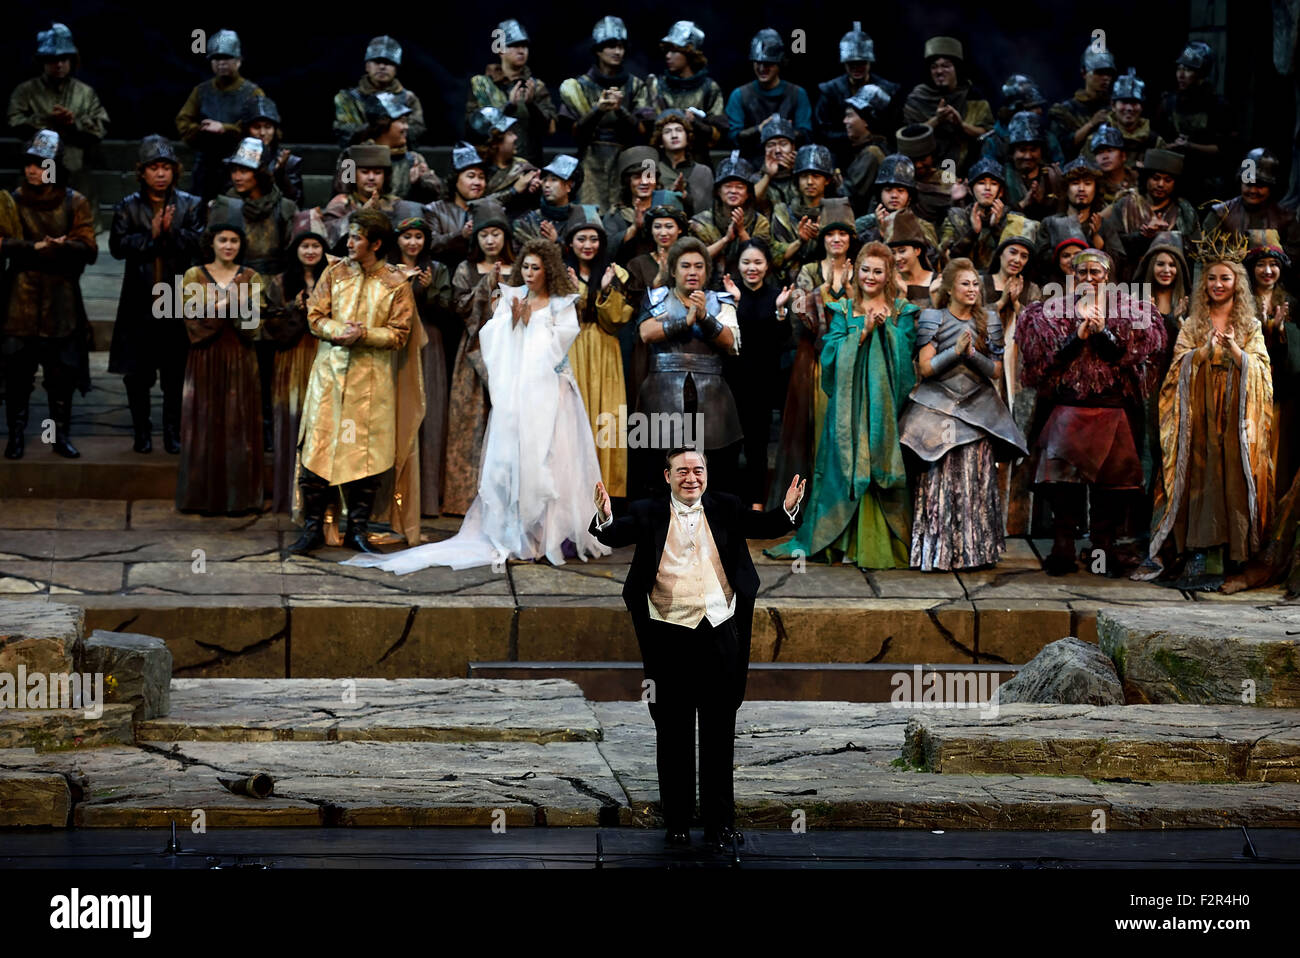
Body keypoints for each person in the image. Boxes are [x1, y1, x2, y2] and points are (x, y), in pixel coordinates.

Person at [347, 239, 610, 572]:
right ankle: (521, 532)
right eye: (525, 267)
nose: (529, 274)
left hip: (554, 395)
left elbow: (559, 346)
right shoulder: (512, 298)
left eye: (535, 268)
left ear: (549, 270)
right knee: (517, 460)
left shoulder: (561, 304)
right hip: (519, 397)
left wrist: (531, 325)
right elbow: (493, 342)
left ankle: (555, 533)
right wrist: (514, 323)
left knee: (556, 458)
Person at [590, 448, 803, 849]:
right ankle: (677, 824)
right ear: (668, 476)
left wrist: (786, 508)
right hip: (669, 634)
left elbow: (763, 525)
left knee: (720, 732)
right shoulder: (649, 509)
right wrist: (604, 515)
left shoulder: (726, 506)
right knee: (673, 733)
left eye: (698, 470)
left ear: (707, 475)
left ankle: (721, 823)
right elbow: (616, 533)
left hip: (720, 631)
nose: (691, 477)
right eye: (682, 471)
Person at [1018, 249, 1166, 576]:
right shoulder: (1048, 314)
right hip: (1069, 409)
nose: (1088, 278)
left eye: (1095, 273)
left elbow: (1129, 358)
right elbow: (1046, 363)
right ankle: (1063, 550)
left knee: (1109, 490)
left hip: (1111, 411)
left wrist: (1103, 333)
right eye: (1081, 272)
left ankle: (1100, 554)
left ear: (1107, 277)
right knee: (1063, 486)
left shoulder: (1131, 312)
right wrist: (1077, 337)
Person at [768, 242, 915, 568]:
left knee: (878, 460)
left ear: (889, 273)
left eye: (879, 271)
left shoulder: (902, 311)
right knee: (844, 462)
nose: (871, 277)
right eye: (866, 270)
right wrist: (863, 331)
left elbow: (906, 367)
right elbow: (831, 359)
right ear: (855, 271)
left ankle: (878, 542)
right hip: (847, 411)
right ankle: (840, 541)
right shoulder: (843, 310)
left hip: (883, 412)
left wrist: (887, 330)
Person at [1136, 239, 1273, 589]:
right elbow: (1176, 367)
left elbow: (1260, 368)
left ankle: (1234, 554)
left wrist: (1235, 351)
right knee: (1200, 476)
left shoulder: (1251, 324)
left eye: (1225, 278)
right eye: (1212, 279)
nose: (1217, 285)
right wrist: (1201, 352)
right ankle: (1196, 550)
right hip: (1199, 414)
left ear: (1236, 283)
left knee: (1234, 477)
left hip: (1235, 414)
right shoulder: (1195, 322)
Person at [288, 208, 421, 554]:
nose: (349, 243)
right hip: (330, 374)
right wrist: (338, 331)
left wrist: (364, 335)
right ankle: (314, 527)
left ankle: (357, 530)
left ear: (375, 243)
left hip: (370, 381)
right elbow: (315, 317)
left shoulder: (396, 282)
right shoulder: (335, 274)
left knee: (364, 453)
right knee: (318, 447)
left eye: (357, 238)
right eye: (349, 236)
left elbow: (399, 334)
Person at [900, 258, 1028, 570]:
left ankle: (975, 552)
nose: (972, 289)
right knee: (940, 481)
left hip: (979, 408)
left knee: (975, 481)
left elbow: (996, 372)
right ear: (950, 289)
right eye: (965, 284)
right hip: (937, 406)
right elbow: (926, 368)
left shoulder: (990, 319)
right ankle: (937, 552)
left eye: (975, 284)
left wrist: (971, 355)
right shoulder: (933, 317)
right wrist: (954, 352)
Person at [2, 130, 95, 460]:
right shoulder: (11, 200)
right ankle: (15, 436)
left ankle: (58, 436)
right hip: (21, 300)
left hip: (60, 300)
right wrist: (32, 247)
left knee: (60, 378)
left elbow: (89, 247)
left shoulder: (74, 202)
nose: (33, 171)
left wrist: (64, 246)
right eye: (29, 164)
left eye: (41, 165)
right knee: (17, 375)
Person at [109, 135, 205, 456]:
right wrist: (150, 236)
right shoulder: (127, 206)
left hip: (175, 298)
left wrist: (170, 232)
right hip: (139, 300)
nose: (160, 174)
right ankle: (142, 431)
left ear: (175, 171)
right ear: (142, 172)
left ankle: (172, 431)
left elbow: (200, 242)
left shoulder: (190, 204)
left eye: (166, 167)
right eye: (154, 168)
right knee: (137, 373)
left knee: (175, 371)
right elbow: (117, 247)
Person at [635, 238, 742, 497]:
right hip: (662, 392)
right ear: (673, 270)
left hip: (711, 394)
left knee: (714, 470)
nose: (692, 272)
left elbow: (730, 342)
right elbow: (646, 333)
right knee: (659, 467)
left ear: (706, 270)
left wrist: (704, 317)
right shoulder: (657, 296)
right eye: (685, 266)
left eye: (698, 266)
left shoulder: (721, 300)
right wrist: (684, 321)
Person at [772, 200, 858, 508]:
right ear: (822, 239)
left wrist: (846, 290)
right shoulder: (809, 270)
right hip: (813, 361)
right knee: (812, 430)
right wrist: (832, 291)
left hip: (851, 360)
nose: (837, 239)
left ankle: (842, 503)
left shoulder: (860, 272)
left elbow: (862, 312)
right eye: (831, 234)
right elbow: (800, 312)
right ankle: (810, 504)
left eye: (843, 234)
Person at [175, 224, 265, 514]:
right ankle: (202, 498)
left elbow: (255, 327)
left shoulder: (251, 277)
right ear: (211, 243)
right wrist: (231, 303)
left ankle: (239, 499)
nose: (228, 245)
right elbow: (191, 320)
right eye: (222, 240)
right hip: (205, 356)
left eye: (234, 241)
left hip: (240, 357)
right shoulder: (194, 275)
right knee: (204, 423)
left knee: (238, 423)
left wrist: (227, 307)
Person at [444, 200, 513, 516]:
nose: (490, 240)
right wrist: (486, 285)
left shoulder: (520, 269)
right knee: (470, 424)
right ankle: (465, 499)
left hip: (511, 354)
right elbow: (459, 308)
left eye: (496, 233)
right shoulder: (466, 269)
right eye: (484, 234)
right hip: (474, 353)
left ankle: (505, 498)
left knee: (508, 425)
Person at [263, 212, 333, 515]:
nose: (310, 251)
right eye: (304, 245)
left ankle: (321, 502)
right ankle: (289, 497)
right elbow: (269, 327)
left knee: (322, 427)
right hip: (291, 361)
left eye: (316, 245)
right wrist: (295, 310)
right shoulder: (279, 283)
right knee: (291, 424)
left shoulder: (335, 280)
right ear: (295, 249)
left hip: (324, 359)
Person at [563, 206, 634, 500]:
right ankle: (571, 496)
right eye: (582, 239)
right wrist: (570, 293)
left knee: (606, 421)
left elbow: (616, 319)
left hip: (605, 351)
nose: (588, 245)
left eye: (593, 239)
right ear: (570, 243)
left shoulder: (616, 273)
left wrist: (605, 291)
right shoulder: (560, 274)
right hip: (571, 350)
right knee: (572, 422)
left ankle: (605, 496)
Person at [7, 23, 109, 225]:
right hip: (37, 171)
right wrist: (45, 121)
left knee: (78, 227)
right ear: (43, 62)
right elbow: (14, 121)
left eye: (64, 59)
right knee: (35, 227)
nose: (59, 65)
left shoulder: (84, 93)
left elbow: (101, 126)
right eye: (53, 60)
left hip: (75, 170)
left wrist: (74, 123)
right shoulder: (26, 91)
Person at [721, 239, 792, 509]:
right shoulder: (727, 293)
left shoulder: (777, 294)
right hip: (730, 381)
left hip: (763, 383)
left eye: (758, 262)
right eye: (746, 262)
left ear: (767, 266)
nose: (752, 268)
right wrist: (734, 304)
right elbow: (725, 338)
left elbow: (784, 339)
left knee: (757, 448)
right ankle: (727, 505)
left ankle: (756, 505)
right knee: (728, 447)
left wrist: (781, 310)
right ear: (738, 266)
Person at [560, 17, 654, 211]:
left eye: (621, 46)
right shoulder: (578, 86)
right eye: (611, 46)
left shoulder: (635, 85)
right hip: (590, 161)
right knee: (589, 216)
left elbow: (644, 130)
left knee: (623, 216)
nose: (618, 52)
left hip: (625, 161)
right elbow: (574, 132)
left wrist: (620, 110)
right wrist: (598, 111)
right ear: (598, 49)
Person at [394, 217, 452, 517]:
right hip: (397, 346)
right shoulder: (387, 270)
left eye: (418, 237)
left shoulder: (437, 269)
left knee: (429, 417)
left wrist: (427, 291)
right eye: (407, 237)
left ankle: (427, 499)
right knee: (398, 416)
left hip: (429, 344)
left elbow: (447, 311)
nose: (413, 242)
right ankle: (395, 500)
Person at [175, 30, 263, 204]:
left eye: (227, 58)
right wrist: (202, 130)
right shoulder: (202, 91)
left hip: (241, 164)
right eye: (216, 59)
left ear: (238, 61)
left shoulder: (252, 93)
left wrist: (225, 129)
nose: (221, 63)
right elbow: (183, 122)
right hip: (206, 165)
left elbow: (261, 128)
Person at [1248, 231, 1300, 494]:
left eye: (1274, 265)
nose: (1267, 271)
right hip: (1250, 388)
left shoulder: (1291, 302)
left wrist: (1281, 332)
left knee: (1279, 450)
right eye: (1261, 264)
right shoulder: (1241, 301)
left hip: (1281, 388)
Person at [466, 20, 556, 168]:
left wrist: (531, 105)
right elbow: (472, 129)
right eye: (514, 45)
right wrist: (507, 108)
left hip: (528, 166)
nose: (521, 51)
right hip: (490, 166)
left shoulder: (535, 86)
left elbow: (550, 129)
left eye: (524, 46)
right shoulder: (481, 85)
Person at [1154, 41, 1232, 204]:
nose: (1181, 74)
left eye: (1188, 69)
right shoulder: (1168, 102)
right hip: (1173, 177)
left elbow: (1225, 149)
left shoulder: (1217, 106)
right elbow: (1157, 138)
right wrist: (1169, 147)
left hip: (1206, 180)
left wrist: (1190, 146)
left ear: (1202, 74)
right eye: (1179, 68)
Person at [207, 137, 298, 276]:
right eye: (234, 171)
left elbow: (293, 255)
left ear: (260, 172)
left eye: (244, 171)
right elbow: (208, 253)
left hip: (277, 284)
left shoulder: (284, 207)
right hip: (235, 284)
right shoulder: (225, 205)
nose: (237, 177)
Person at [901, 36, 992, 175]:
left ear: (956, 69)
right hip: (921, 169)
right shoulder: (918, 99)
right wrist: (937, 120)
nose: (939, 71)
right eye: (934, 67)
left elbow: (988, 134)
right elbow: (907, 140)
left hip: (965, 167)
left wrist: (961, 125)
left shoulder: (973, 98)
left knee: (949, 181)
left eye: (945, 66)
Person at [1104, 148, 1202, 272]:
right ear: (1146, 179)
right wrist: (1142, 236)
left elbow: (1193, 253)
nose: (1161, 184)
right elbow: (1112, 245)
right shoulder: (1126, 205)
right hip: (1128, 279)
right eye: (1156, 178)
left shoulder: (1183, 212)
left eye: (1167, 180)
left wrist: (1166, 237)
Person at [647, 21, 727, 164]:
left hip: (698, 162)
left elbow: (716, 136)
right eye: (667, 50)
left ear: (689, 53)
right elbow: (650, 130)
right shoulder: (657, 86)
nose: (668, 55)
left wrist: (695, 123)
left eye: (674, 51)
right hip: (664, 162)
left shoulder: (709, 88)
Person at [815, 22, 899, 158]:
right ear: (844, 63)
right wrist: (852, 137)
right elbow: (822, 131)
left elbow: (893, 126)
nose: (856, 68)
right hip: (841, 152)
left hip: (878, 151)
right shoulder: (830, 90)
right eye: (851, 64)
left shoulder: (888, 89)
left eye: (861, 63)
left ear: (869, 62)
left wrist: (872, 138)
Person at [1202, 149, 1300, 264]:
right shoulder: (1220, 213)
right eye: (1248, 184)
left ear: (1271, 186)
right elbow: (1206, 252)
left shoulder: (1286, 218)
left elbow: (1293, 257)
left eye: (1260, 185)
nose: (1253, 190)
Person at [726, 29, 813, 159]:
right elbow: (734, 137)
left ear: (779, 63)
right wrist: (759, 129)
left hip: (788, 161)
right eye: (758, 63)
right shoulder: (740, 95)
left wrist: (782, 130)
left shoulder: (797, 94)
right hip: (751, 164)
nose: (762, 68)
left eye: (768, 64)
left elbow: (806, 135)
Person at [320, 144, 419, 252]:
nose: (371, 178)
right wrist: (361, 215)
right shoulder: (341, 203)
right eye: (365, 172)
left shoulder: (396, 204)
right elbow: (328, 238)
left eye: (377, 173)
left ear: (385, 177)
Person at [689, 153, 772, 282]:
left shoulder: (760, 222)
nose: (733, 191)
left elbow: (762, 260)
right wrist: (726, 240)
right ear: (718, 191)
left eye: (739, 187)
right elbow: (694, 259)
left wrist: (742, 232)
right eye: (727, 186)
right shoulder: (700, 223)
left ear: (748, 193)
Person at [333, 36, 426, 149]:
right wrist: (372, 127)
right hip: (359, 157)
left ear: (395, 68)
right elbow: (344, 133)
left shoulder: (408, 98)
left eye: (388, 62)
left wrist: (392, 127)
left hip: (399, 157)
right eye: (377, 62)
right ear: (367, 66)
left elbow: (417, 132)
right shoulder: (348, 98)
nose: (382, 67)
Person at [348, 93, 441, 204]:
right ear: (383, 124)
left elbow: (437, 195)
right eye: (402, 121)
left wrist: (419, 183)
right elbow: (342, 194)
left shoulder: (414, 160)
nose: (406, 127)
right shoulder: (351, 156)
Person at [769, 145, 834, 279]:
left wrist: (822, 237)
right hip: (788, 282)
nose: (810, 182)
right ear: (797, 180)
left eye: (816, 176)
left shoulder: (836, 212)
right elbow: (775, 258)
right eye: (804, 176)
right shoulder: (783, 212)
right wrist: (801, 241)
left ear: (827, 180)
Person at [1048, 44, 1117, 160]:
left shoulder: (1116, 108)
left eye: (1109, 73)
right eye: (1099, 72)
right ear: (1084, 73)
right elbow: (1060, 147)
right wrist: (1091, 124)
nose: (1106, 78)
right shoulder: (1066, 111)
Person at [425, 141, 489, 267]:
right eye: (471, 176)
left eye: (481, 177)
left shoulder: (489, 209)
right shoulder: (434, 209)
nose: (477, 182)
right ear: (455, 180)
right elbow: (431, 244)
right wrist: (461, 235)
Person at [939, 157, 1007, 272]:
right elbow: (946, 258)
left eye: (994, 184)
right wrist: (973, 233)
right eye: (981, 183)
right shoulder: (956, 217)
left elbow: (1015, 258)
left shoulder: (1011, 219)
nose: (987, 188)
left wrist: (996, 227)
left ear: (1000, 192)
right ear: (970, 190)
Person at [469, 108, 540, 217]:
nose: (515, 137)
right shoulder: (475, 173)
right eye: (509, 134)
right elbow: (472, 207)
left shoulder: (524, 168)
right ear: (495, 143)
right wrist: (513, 191)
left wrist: (537, 189)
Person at [983, 74, 1063, 168]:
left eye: (1039, 107)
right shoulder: (995, 142)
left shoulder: (1048, 138)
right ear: (1014, 110)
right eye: (1032, 107)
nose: (1039, 111)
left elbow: (1059, 167)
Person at [239, 96, 304, 207]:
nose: (262, 132)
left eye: (268, 127)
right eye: (256, 127)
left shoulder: (290, 162)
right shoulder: (237, 160)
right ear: (248, 129)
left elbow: (296, 202)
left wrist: (281, 175)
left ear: (275, 130)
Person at [1094, 69, 1164, 170]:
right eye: (1124, 102)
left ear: (1142, 107)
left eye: (1134, 102)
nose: (1129, 108)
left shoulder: (1155, 142)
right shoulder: (1098, 138)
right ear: (1113, 105)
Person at [1002, 112, 1065, 222]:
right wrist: (1023, 204)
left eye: (1033, 150)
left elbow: (1062, 214)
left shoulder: (1052, 175)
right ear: (1013, 152)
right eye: (1022, 150)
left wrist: (1044, 202)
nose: (1028, 156)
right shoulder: (1002, 176)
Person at [604, 145, 660, 267]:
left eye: (649, 176)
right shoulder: (615, 214)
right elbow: (606, 250)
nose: (644, 182)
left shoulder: (665, 210)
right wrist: (634, 228)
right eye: (637, 177)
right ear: (628, 181)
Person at [650, 110, 713, 217]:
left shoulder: (703, 172)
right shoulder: (653, 170)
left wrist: (685, 196)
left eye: (679, 130)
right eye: (667, 132)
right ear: (660, 142)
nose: (674, 135)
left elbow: (706, 211)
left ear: (688, 138)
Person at [841, 86, 891, 216]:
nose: (845, 121)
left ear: (866, 121)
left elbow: (847, 196)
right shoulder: (865, 149)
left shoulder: (872, 154)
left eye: (850, 116)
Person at [512, 155, 579, 247]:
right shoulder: (526, 222)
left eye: (554, 180)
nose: (547, 185)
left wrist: (557, 241)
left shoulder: (582, 217)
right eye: (545, 180)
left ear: (568, 186)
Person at [751, 117, 800, 215]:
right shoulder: (756, 178)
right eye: (771, 145)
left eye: (783, 144)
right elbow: (749, 204)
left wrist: (798, 169)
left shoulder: (804, 175)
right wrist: (768, 176)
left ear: (793, 147)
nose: (777, 150)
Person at [891, 210, 936, 308]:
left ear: (917, 250)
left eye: (902, 251)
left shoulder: (937, 281)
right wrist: (902, 294)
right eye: (893, 253)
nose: (897, 258)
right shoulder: (891, 285)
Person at [1091, 124, 1137, 206]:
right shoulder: (1093, 185)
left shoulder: (1138, 180)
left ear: (1123, 156)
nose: (1105, 157)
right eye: (1100, 153)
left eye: (1110, 150)